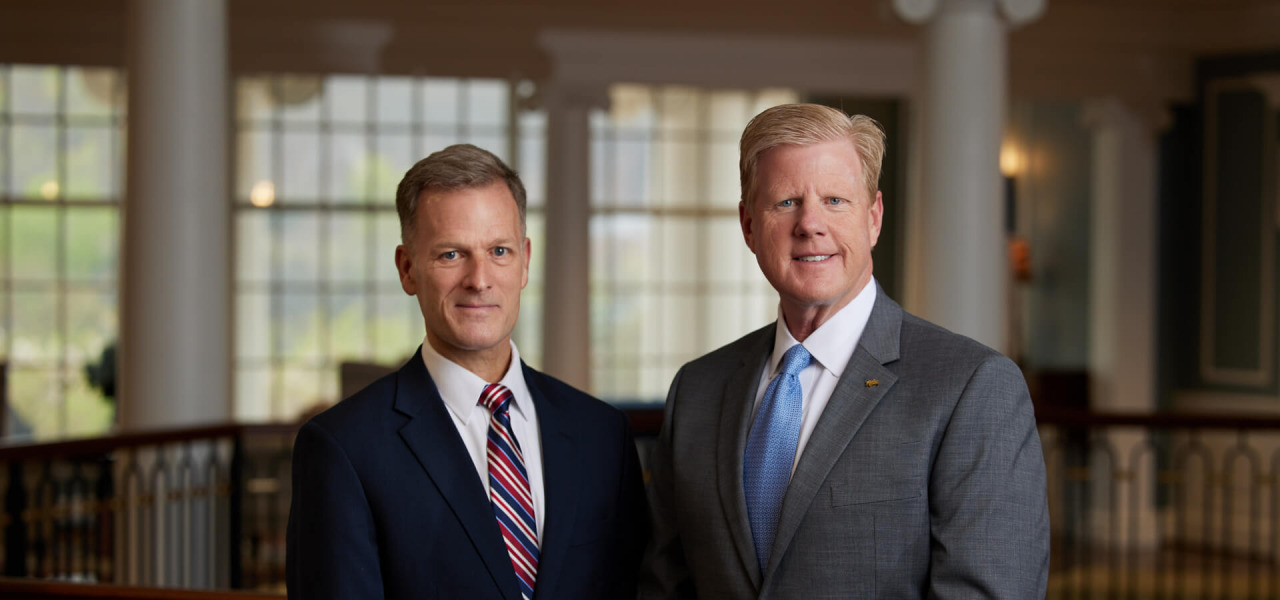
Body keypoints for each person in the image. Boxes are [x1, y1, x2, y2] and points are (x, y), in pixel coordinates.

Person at [638, 104, 1049, 598]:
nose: (810, 224)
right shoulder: (698, 390)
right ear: (749, 225)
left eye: (835, 200)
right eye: (786, 202)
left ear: (872, 218)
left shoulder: (972, 387)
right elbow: (663, 584)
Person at [287, 144, 648, 600]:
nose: (479, 279)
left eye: (499, 250)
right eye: (451, 255)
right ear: (407, 269)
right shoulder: (344, 449)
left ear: (525, 261)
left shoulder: (602, 434)